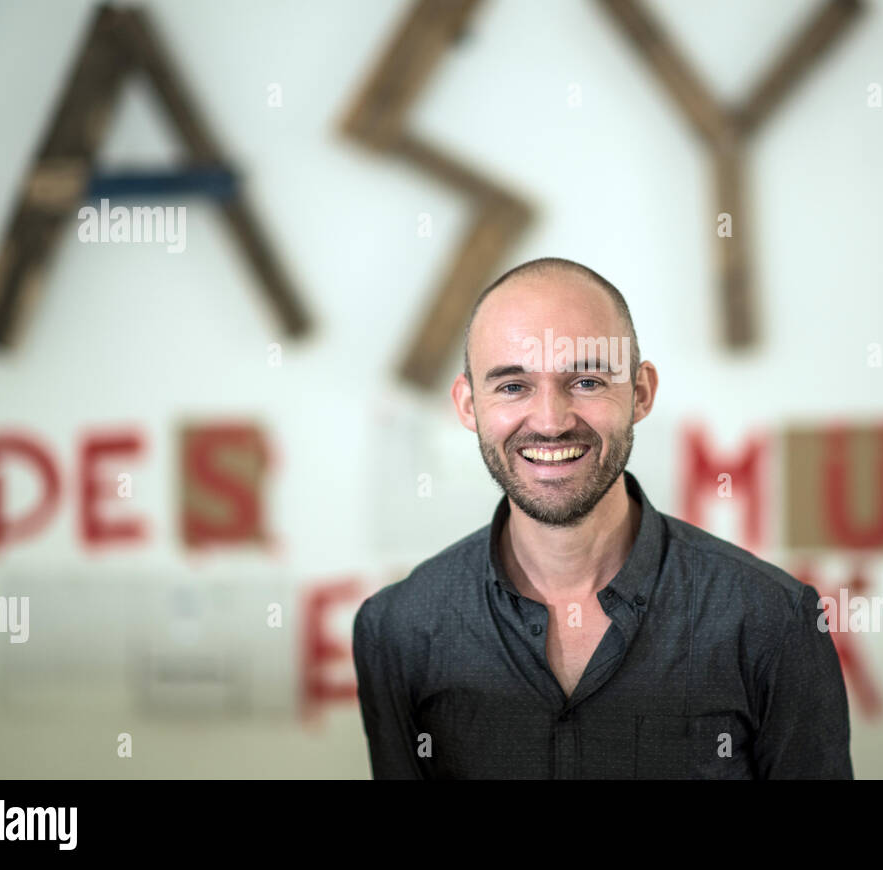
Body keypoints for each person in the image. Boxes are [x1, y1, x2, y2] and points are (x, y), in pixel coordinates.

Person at [353, 257, 852, 779]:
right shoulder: (396, 631)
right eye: (512, 386)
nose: (550, 422)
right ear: (467, 404)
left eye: (587, 381)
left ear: (640, 393)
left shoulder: (774, 619)